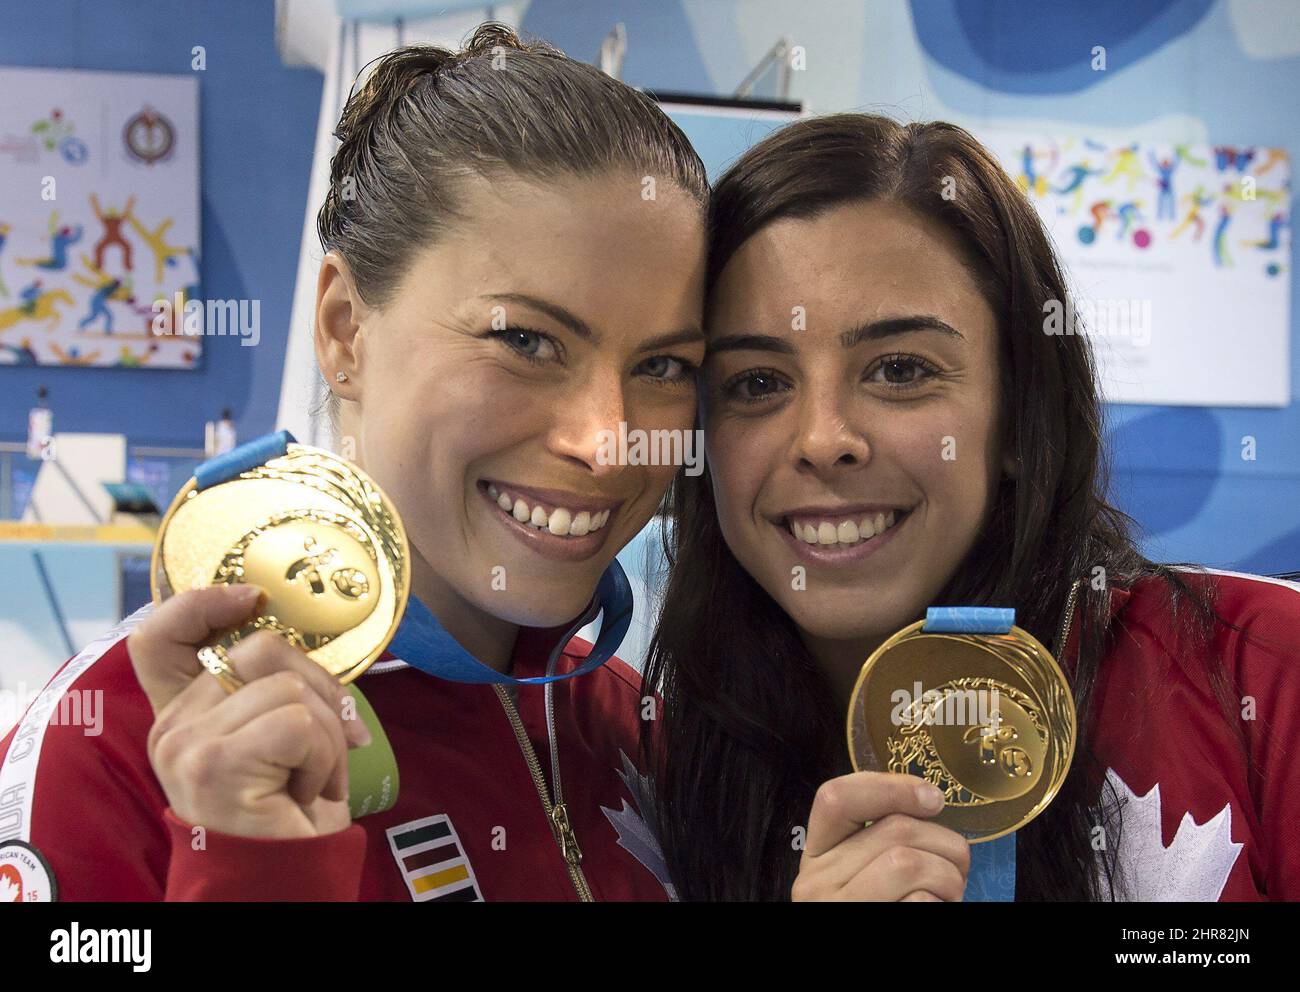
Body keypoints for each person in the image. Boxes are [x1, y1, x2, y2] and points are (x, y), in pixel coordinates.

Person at [0, 24, 706, 902]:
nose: (608, 439)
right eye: (525, 340)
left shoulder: (634, 725)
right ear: (344, 331)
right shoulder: (119, 738)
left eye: (665, 366)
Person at [642, 113, 1300, 902]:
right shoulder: (644, 765)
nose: (823, 440)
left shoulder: (1264, 673)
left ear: (1021, 415)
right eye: (757, 382)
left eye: (899, 369)